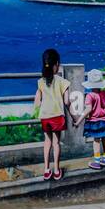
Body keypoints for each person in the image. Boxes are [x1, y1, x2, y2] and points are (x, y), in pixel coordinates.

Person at [33, 48, 70, 180]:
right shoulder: (62, 81)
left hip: (45, 117)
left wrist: (36, 111)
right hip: (57, 116)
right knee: (56, 143)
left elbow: (37, 101)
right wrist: (73, 115)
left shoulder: (41, 81)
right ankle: (56, 170)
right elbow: (67, 101)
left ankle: (46, 170)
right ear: (57, 64)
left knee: (47, 141)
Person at [79, 69, 105, 169]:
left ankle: (97, 162)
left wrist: (78, 120)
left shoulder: (90, 96)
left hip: (95, 122)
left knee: (96, 141)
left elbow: (88, 109)